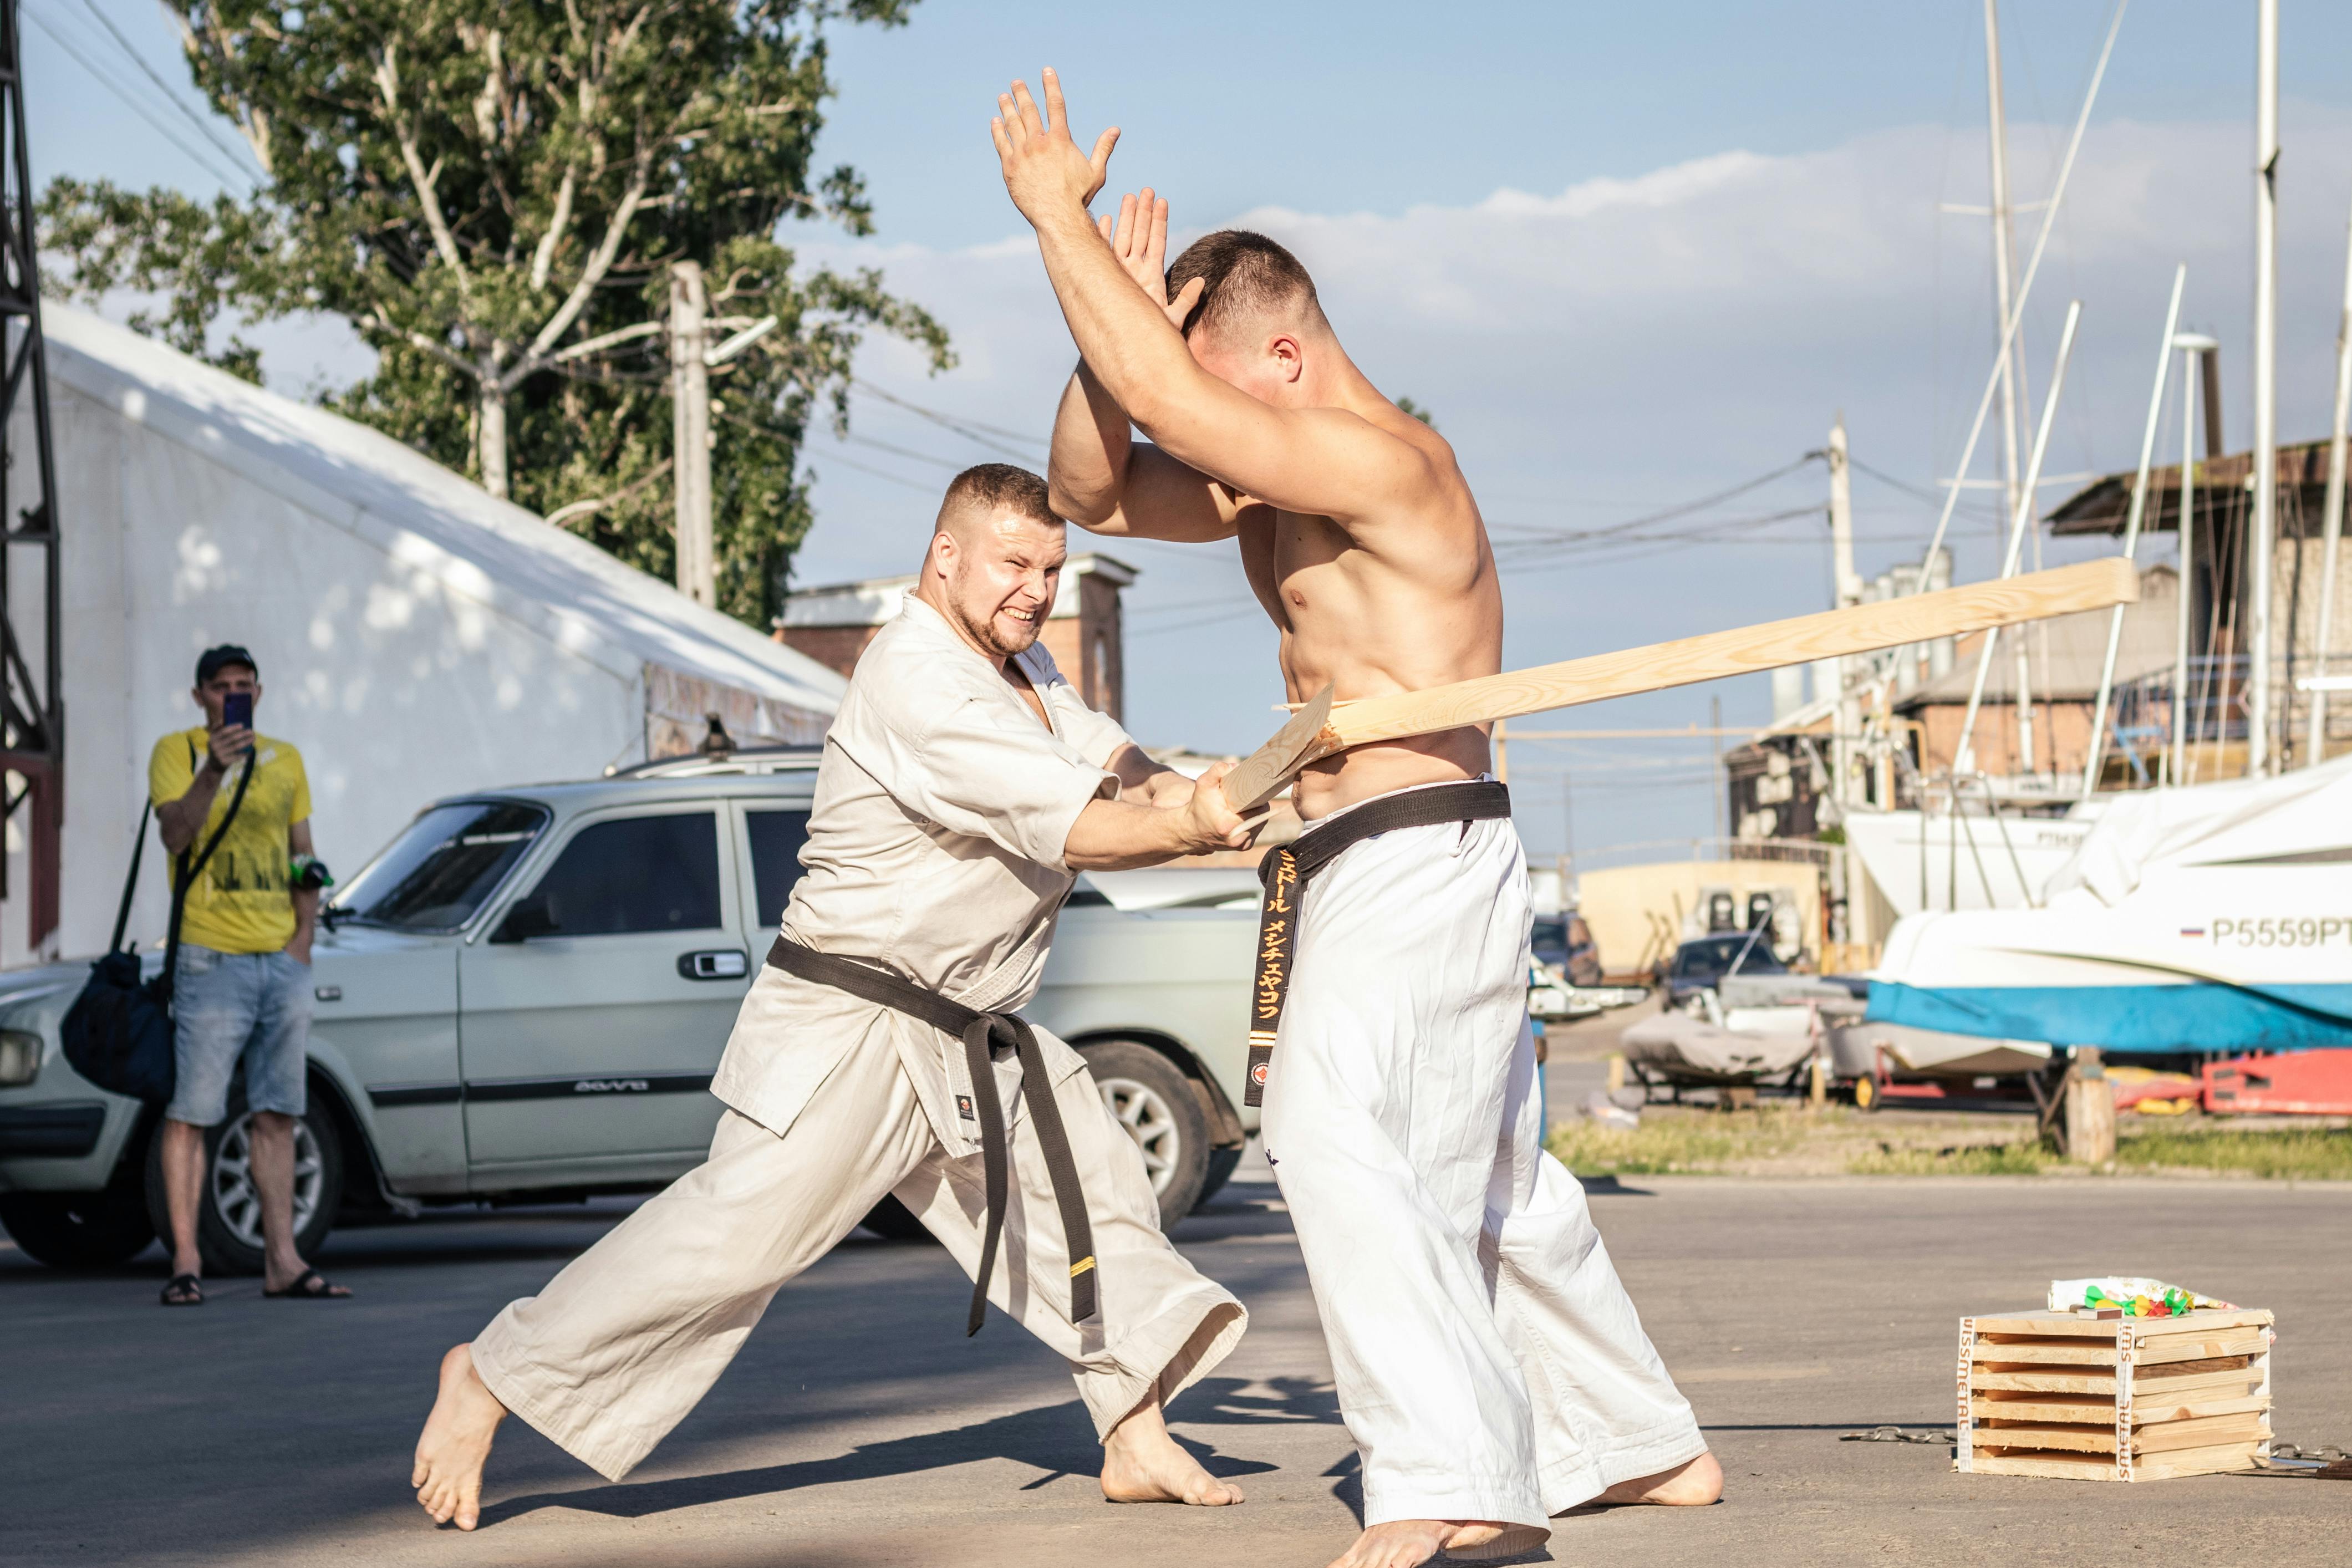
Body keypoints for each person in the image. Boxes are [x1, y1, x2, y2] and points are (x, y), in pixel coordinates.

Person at [995, 72, 1720, 1568]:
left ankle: (1457, 1476)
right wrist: (1101, 320)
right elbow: (1092, 488)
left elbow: (1171, 405)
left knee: (1328, 1133)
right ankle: (1638, 1443)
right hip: (1361, 862)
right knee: (1493, 1178)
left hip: (1418, 844)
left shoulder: (1391, 465)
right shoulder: (1267, 494)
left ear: (1284, 351)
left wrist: (1057, 223)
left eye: (1213, 391)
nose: (1204, 439)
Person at [411, 464, 1259, 1531]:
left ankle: (1133, 1429)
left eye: (1050, 569)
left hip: (962, 1033)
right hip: (852, 1024)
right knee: (731, 1242)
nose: (1036, 590)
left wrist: (1215, 790)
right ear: (945, 555)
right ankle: (491, 1372)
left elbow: (1116, 764)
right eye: (1014, 563)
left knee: (1087, 1193)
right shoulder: (917, 678)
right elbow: (1079, 824)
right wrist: (1190, 824)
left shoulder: (1024, 667)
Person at [150, 644, 346, 1306]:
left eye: (244, 684)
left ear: (258, 693)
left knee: (278, 1112)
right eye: (220, 686)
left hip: (280, 959)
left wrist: (303, 939)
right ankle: (186, 1260)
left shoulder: (286, 758)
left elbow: (302, 854)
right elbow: (174, 835)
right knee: (193, 1111)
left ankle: (282, 1259)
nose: (233, 694)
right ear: (200, 695)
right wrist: (214, 767)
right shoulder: (177, 752)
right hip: (210, 955)